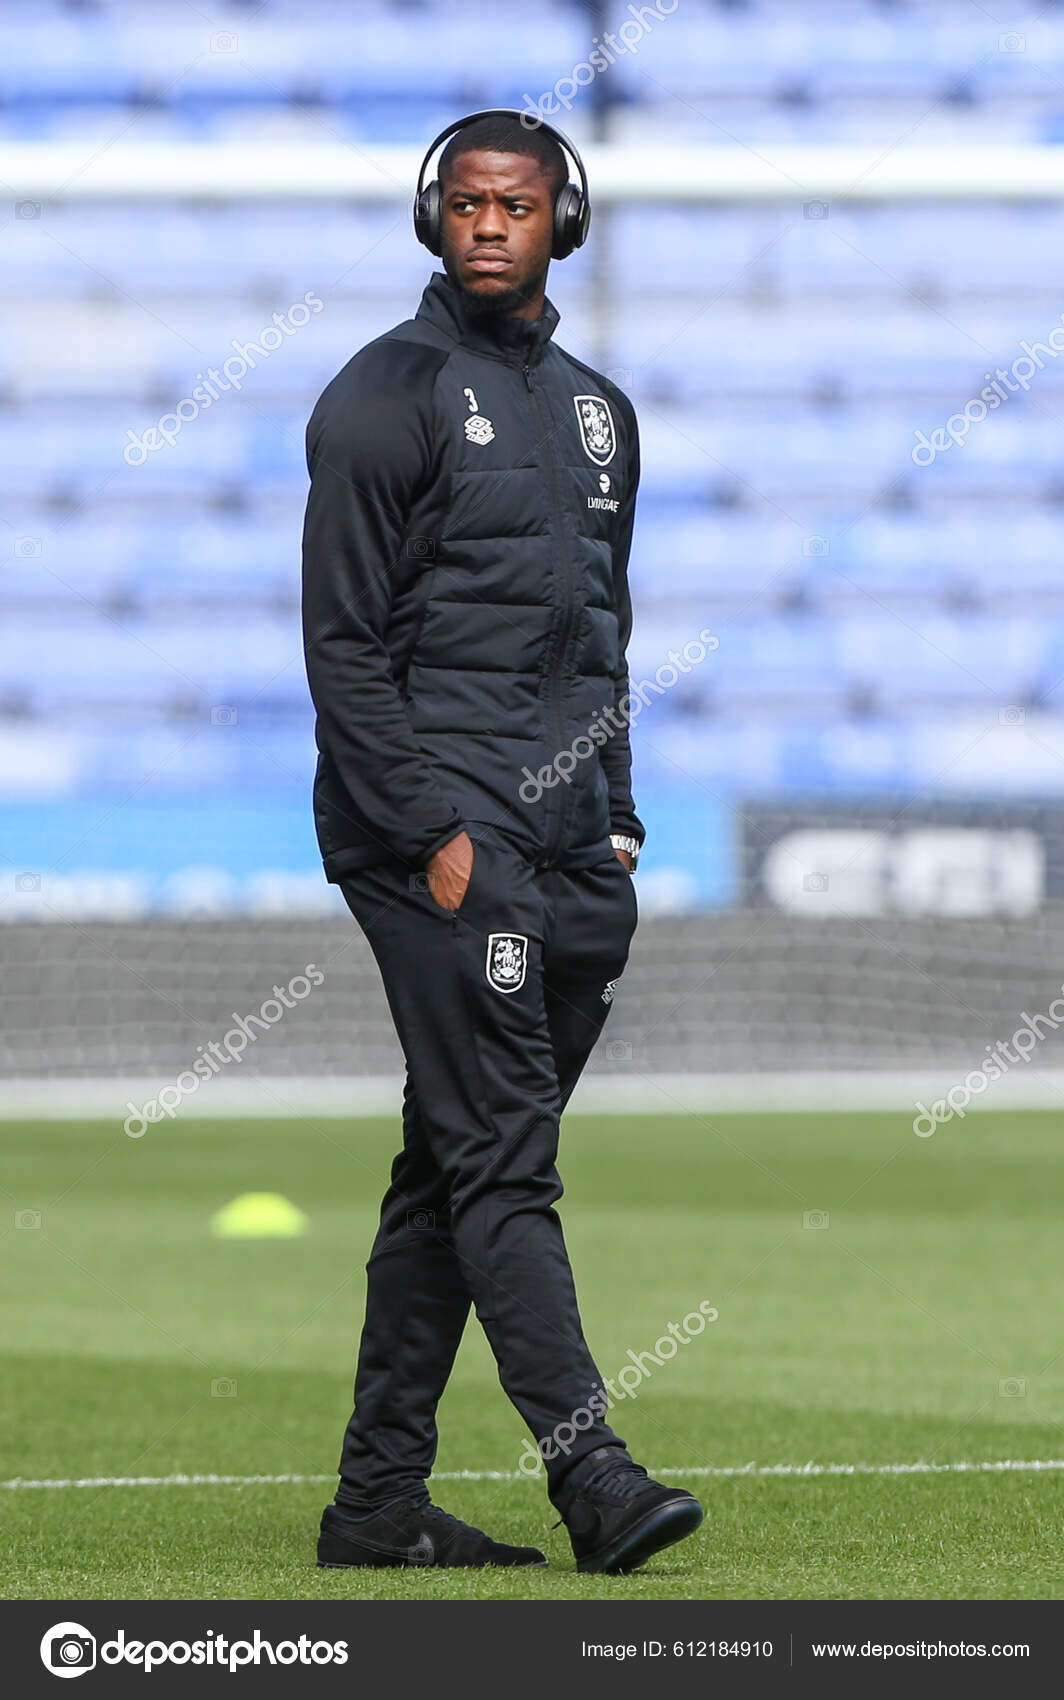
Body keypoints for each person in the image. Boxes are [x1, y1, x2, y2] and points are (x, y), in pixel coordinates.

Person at [301, 109, 702, 1575]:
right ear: (430, 218)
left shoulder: (602, 413)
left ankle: (375, 1506)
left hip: (571, 848)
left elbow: (602, 633)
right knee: (501, 1165)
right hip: (437, 839)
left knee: (455, 1165)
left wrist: (618, 816)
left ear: (561, 222)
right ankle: (590, 1473)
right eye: (463, 203)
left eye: (515, 205)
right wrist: (433, 839)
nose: (487, 225)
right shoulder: (379, 396)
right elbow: (341, 651)